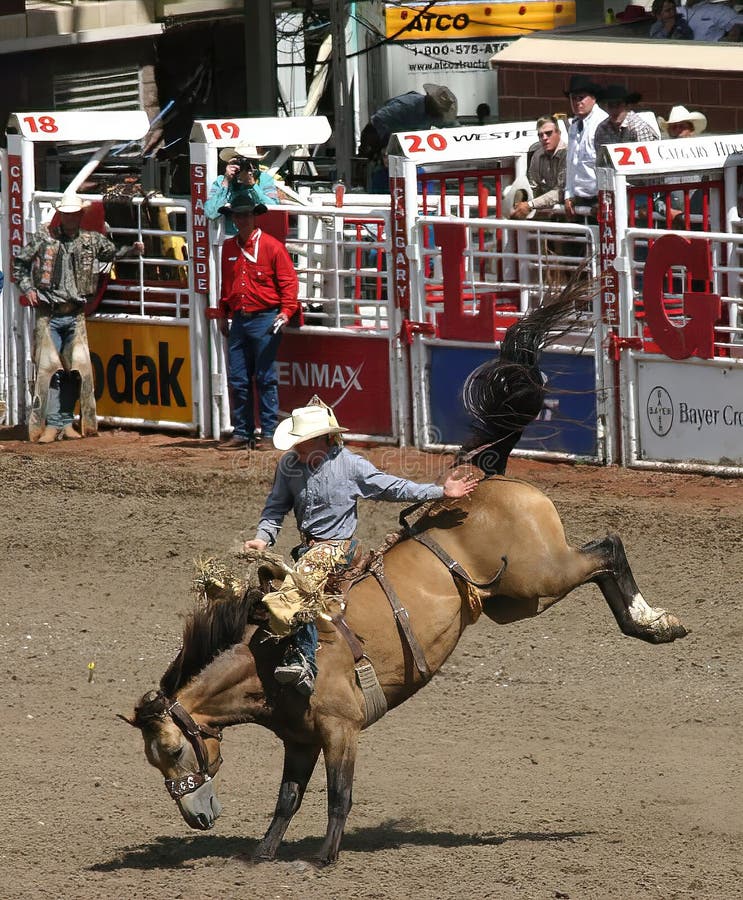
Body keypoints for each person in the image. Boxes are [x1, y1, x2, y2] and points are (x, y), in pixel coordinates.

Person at [243, 398, 479, 695]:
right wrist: (262, 537)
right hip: (308, 550)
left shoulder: (350, 465)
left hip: (338, 548)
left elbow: (392, 487)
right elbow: (275, 508)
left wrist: (440, 492)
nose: (295, 448)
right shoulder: (290, 465)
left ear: (321, 439)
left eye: (300, 442)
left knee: (298, 588)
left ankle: (303, 662)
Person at [13, 193, 144, 443]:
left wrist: (132, 249)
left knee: (73, 371)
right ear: (61, 216)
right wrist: (28, 289)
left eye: (73, 214)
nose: (70, 218)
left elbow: (113, 253)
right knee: (52, 370)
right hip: (50, 313)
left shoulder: (91, 240)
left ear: (80, 215)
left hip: (73, 312)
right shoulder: (44, 239)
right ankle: (54, 423)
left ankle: (62, 421)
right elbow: (20, 263)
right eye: (66, 214)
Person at [216, 192, 299, 450]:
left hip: (265, 317)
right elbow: (226, 284)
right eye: (237, 216)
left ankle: (267, 432)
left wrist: (285, 311)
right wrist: (224, 312)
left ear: (254, 217)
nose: (241, 220)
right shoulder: (230, 247)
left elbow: (288, 282)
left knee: (264, 376)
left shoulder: (271, 246)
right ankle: (244, 431)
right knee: (239, 378)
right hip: (241, 318)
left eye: (245, 215)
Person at [359, 83, 459, 161]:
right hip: (378, 137)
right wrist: (383, 145)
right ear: (432, 103)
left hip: (408, 148)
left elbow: (452, 125)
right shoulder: (405, 105)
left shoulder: (435, 115)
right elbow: (378, 120)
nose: (440, 114)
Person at [204, 143, 279, 235]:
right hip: (228, 238)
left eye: (251, 161)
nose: (246, 166)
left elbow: (274, 211)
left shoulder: (265, 179)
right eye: (240, 162)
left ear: (256, 163)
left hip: (256, 237)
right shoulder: (221, 181)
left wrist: (253, 186)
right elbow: (210, 213)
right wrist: (226, 182)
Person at [563, 74, 608, 223]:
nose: (577, 102)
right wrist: (568, 194)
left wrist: (604, 200)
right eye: (573, 98)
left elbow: (606, 166)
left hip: (599, 200)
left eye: (581, 98)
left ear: (593, 98)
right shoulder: (574, 125)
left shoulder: (602, 124)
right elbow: (570, 164)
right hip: (579, 199)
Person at [509, 115, 566, 220]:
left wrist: (530, 205)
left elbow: (561, 192)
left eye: (549, 133)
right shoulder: (537, 155)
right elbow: (533, 187)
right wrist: (520, 199)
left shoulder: (567, 153)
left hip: (575, 213)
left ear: (558, 133)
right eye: (540, 135)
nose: (544, 138)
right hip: (551, 213)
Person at [594, 84, 660, 153]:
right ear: (605, 107)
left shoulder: (638, 128)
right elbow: (601, 158)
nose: (614, 110)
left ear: (627, 106)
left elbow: (649, 157)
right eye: (610, 106)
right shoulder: (602, 129)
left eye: (618, 105)